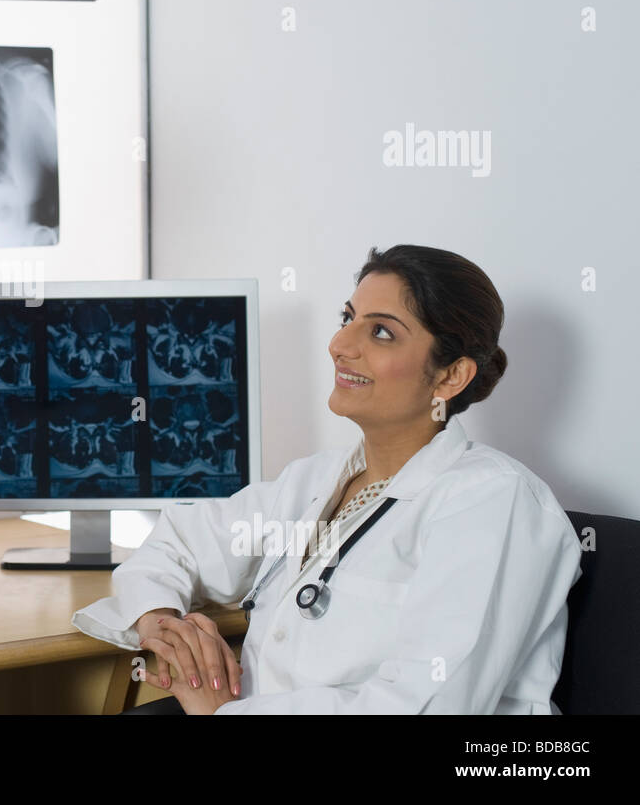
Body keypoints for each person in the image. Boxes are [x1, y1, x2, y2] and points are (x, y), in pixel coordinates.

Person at [73, 245, 582, 714]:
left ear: (450, 377)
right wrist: (164, 623)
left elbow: (428, 702)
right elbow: (178, 541)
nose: (340, 344)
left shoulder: (493, 501)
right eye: (348, 318)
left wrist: (220, 713)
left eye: (381, 331)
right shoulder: (313, 480)